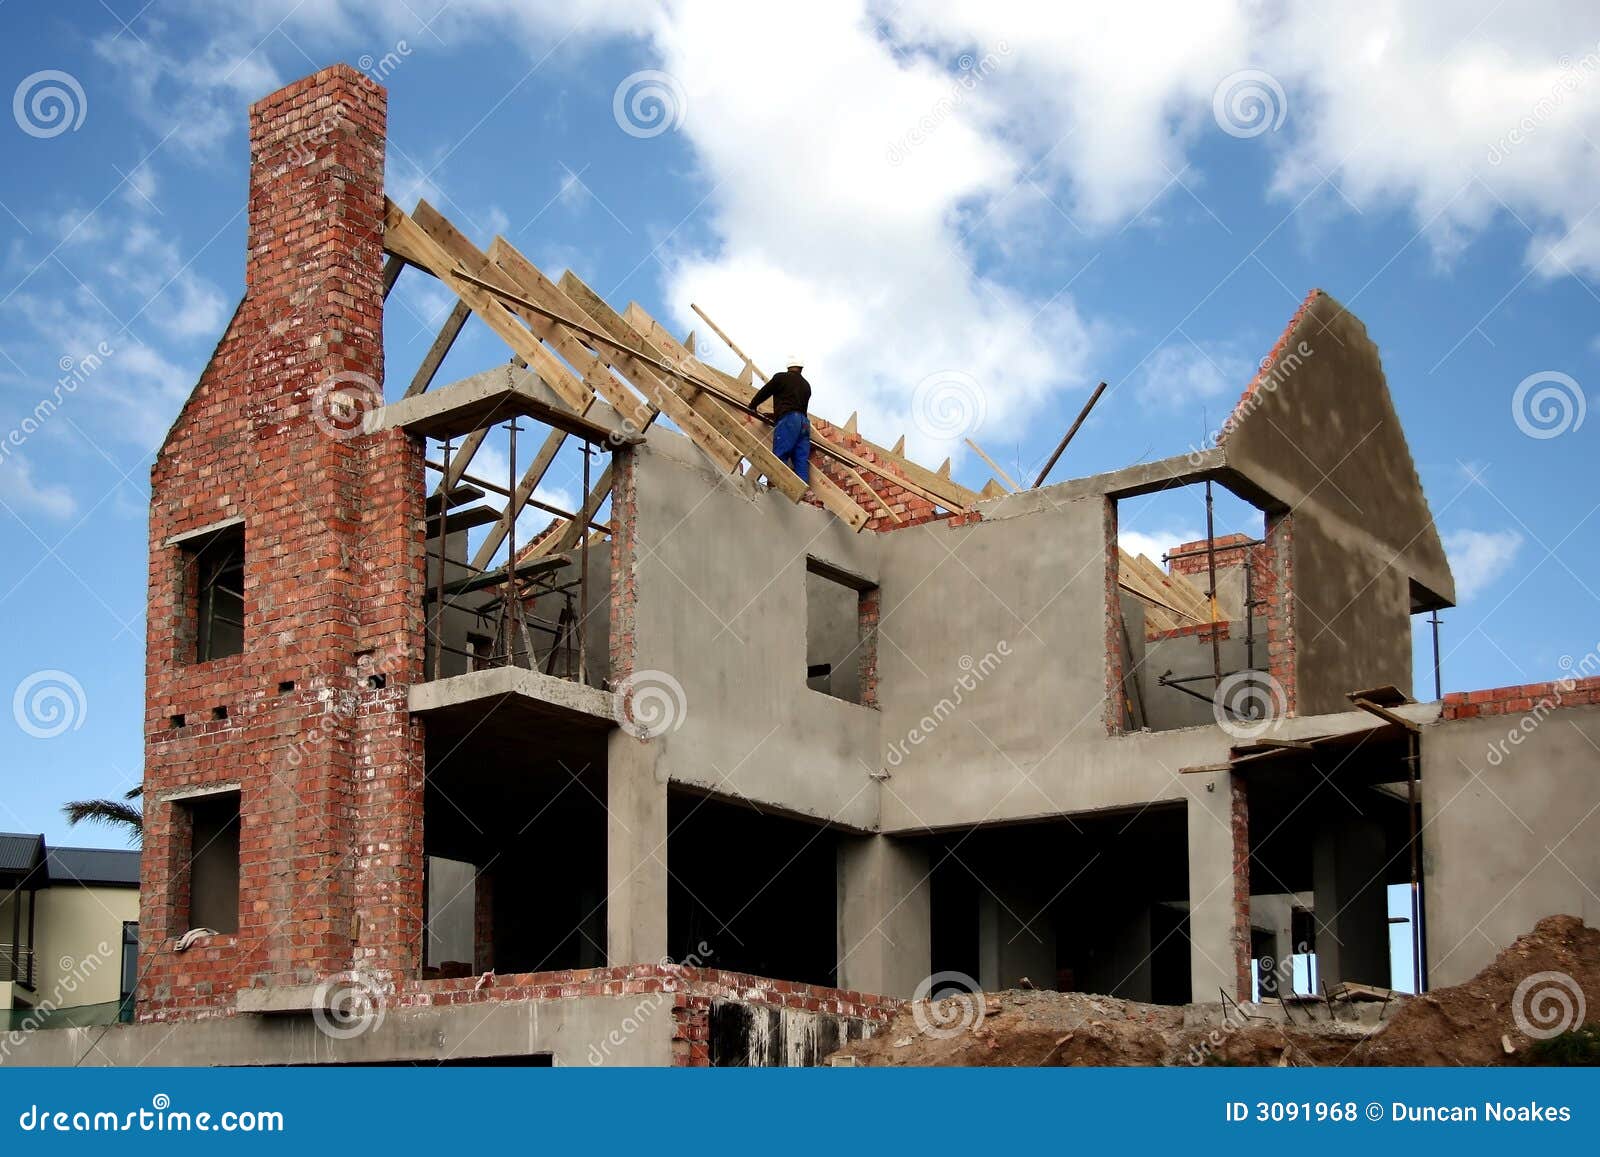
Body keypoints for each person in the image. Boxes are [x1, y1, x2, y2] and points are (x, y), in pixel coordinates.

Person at [749, 356, 812, 486]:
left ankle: (775, 487)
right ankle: (802, 491)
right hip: (804, 423)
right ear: (801, 368)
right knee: (801, 459)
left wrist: (752, 405)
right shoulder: (806, 386)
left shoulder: (781, 378)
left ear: (788, 367)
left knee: (780, 454)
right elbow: (795, 405)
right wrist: (776, 415)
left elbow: (765, 392)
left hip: (789, 420)